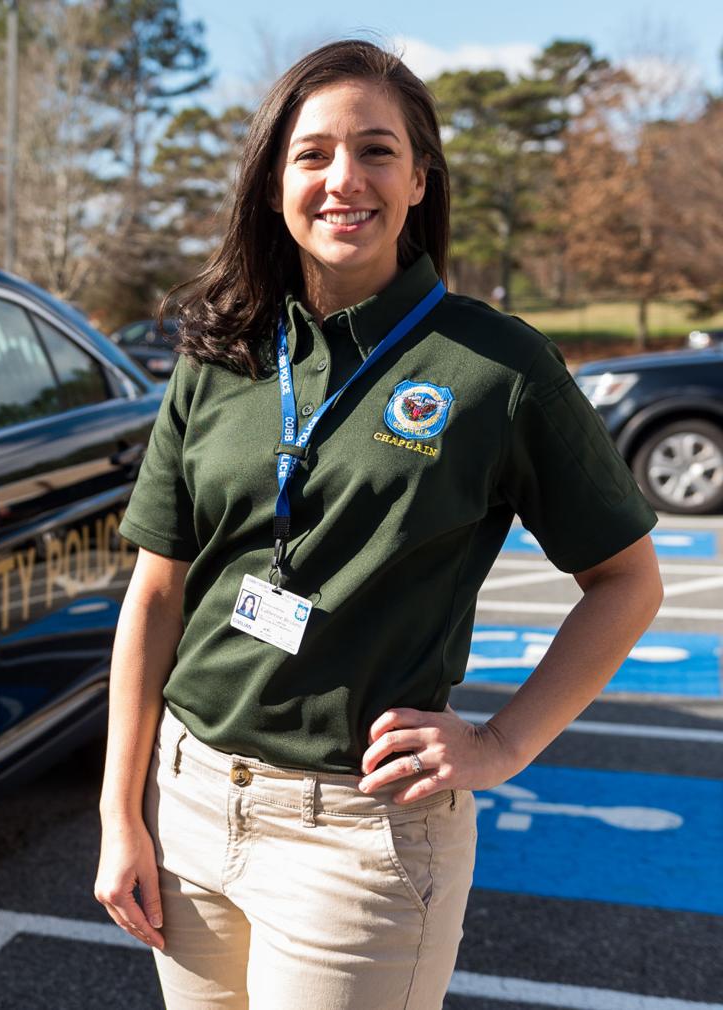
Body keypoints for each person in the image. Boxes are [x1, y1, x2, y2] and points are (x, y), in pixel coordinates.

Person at [93, 39, 663, 1010]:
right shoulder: (222, 352)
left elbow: (628, 580)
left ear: (420, 176)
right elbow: (156, 591)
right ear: (275, 179)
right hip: (189, 804)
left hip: (358, 837)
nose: (342, 178)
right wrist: (121, 812)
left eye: (376, 150)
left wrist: (502, 744)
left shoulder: (497, 367)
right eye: (312, 153)